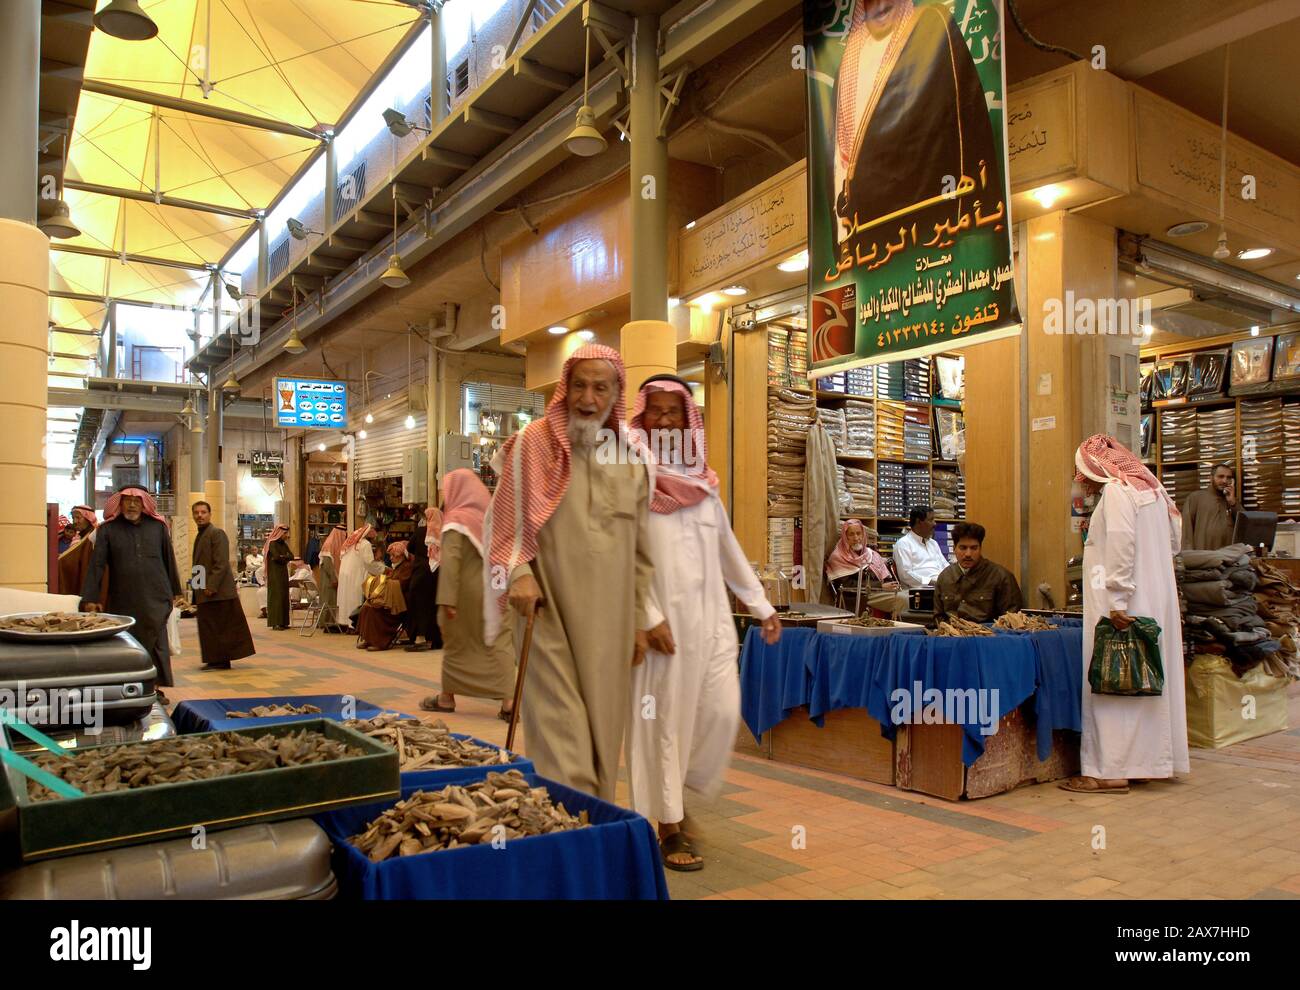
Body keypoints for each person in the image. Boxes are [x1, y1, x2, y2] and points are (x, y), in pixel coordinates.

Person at [483, 343, 670, 801]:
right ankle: (570, 838)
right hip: (548, 621)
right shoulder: (532, 445)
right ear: (565, 388)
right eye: (580, 385)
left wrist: (641, 622)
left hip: (612, 631)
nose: (588, 398)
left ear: (615, 394)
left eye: (600, 387)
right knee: (564, 751)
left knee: (603, 752)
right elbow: (501, 523)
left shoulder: (633, 459)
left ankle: (588, 847)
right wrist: (519, 570)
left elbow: (643, 554)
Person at [626, 375, 781, 871]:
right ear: (642, 417)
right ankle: (668, 823)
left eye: (676, 410)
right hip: (661, 624)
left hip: (712, 622)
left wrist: (759, 604)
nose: (667, 419)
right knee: (663, 724)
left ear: (689, 419)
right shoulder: (630, 476)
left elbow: (726, 545)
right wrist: (647, 616)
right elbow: (620, 553)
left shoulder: (704, 482)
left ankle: (677, 792)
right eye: (657, 410)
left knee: (718, 710)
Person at [1061, 435, 1188, 794]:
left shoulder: (1118, 493)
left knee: (1112, 682)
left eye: (1081, 468)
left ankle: (1109, 770)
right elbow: (1175, 543)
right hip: (1153, 600)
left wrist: (1116, 600)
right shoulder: (1154, 493)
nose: (1080, 477)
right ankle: (1145, 764)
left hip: (1122, 606)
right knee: (1146, 681)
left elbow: (1119, 545)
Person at [829, 0, 1000, 252]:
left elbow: (966, 128)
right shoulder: (848, 60)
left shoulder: (932, 26)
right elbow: (840, 161)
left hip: (931, 227)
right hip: (864, 235)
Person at [80, 486, 187, 699]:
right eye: (127, 500)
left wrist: (176, 590)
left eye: (136, 500)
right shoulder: (108, 530)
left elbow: (168, 558)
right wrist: (90, 597)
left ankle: (154, 688)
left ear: (144, 503)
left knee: (156, 642)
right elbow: (97, 565)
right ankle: (131, 687)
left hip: (157, 596)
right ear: (119, 503)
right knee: (128, 644)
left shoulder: (158, 527)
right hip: (123, 597)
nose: (131, 504)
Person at [423, 470, 514, 717]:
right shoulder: (489, 519)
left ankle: (446, 698)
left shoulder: (455, 521)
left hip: (464, 595)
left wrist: (446, 600)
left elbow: (450, 563)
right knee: (498, 643)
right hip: (495, 590)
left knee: (456, 645)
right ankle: (508, 703)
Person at [190, 500, 255, 671]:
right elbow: (198, 566)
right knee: (209, 627)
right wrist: (196, 591)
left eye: (203, 512)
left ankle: (221, 660)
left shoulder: (216, 533)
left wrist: (211, 586)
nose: (199, 515)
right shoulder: (200, 535)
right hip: (204, 592)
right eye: (196, 512)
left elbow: (221, 563)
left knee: (221, 627)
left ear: (210, 514)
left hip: (218, 592)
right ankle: (214, 659)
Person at [933, 522, 1022, 623]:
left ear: (980, 549)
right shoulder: (945, 577)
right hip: (951, 636)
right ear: (954, 549)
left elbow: (1013, 619)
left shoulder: (1001, 576)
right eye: (963, 548)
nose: (968, 554)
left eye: (974, 548)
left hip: (988, 636)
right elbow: (938, 617)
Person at [825, 518, 906, 617]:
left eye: (859, 533)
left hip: (878, 592)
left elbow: (886, 578)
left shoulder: (871, 554)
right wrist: (880, 586)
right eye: (851, 534)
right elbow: (846, 585)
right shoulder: (838, 557)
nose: (856, 538)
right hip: (858, 596)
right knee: (901, 599)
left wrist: (891, 585)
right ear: (845, 536)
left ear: (863, 535)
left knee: (907, 595)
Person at [403, 508, 442, 652]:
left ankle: (420, 638)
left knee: (418, 605)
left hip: (421, 574)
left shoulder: (420, 532)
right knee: (433, 606)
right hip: (437, 574)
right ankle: (434, 639)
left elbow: (409, 548)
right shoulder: (443, 533)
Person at [1181, 463, 1239, 551]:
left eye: (1228, 477)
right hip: (1204, 556)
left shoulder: (1231, 501)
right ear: (1210, 478)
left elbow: (1244, 525)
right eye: (1220, 476)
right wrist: (1189, 556)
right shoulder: (1195, 498)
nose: (1224, 481)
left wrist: (1233, 502)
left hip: (1229, 557)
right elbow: (1186, 532)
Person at [893, 505, 949, 589]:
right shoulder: (903, 544)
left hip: (942, 587)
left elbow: (945, 566)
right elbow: (905, 575)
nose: (935, 524)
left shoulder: (933, 543)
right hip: (922, 590)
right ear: (919, 522)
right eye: (931, 520)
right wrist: (931, 582)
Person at [356, 559, 406, 651]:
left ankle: (379, 642)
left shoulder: (406, 566)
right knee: (366, 607)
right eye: (390, 555)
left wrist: (388, 581)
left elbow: (403, 584)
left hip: (397, 602)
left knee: (376, 611)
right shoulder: (394, 567)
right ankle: (368, 639)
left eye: (395, 555)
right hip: (386, 597)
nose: (391, 557)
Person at [58, 505, 104, 599]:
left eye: (78, 518)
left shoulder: (95, 536)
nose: (75, 521)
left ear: (88, 518)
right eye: (73, 518)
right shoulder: (78, 537)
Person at [336, 524, 374, 630]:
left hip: (345, 576)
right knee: (355, 599)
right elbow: (369, 563)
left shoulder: (349, 544)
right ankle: (354, 625)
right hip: (356, 576)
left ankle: (347, 624)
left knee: (347, 599)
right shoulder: (365, 544)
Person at [316, 525, 346, 631]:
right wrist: (334, 579)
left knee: (331, 602)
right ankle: (324, 623)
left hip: (331, 579)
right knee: (327, 602)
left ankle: (330, 623)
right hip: (328, 580)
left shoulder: (334, 545)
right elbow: (328, 565)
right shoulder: (329, 545)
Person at [262, 524, 292, 630]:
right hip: (274, 574)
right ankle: (275, 623)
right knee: (276, 597)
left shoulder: (283, 544)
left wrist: (282, 557)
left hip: (283, 573)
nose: (286, 536)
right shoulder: (272, 543)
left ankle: (283, 622)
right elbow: (276, 556)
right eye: (284, 533)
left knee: (283, 596)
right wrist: (284, 557)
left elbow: (291, 556)